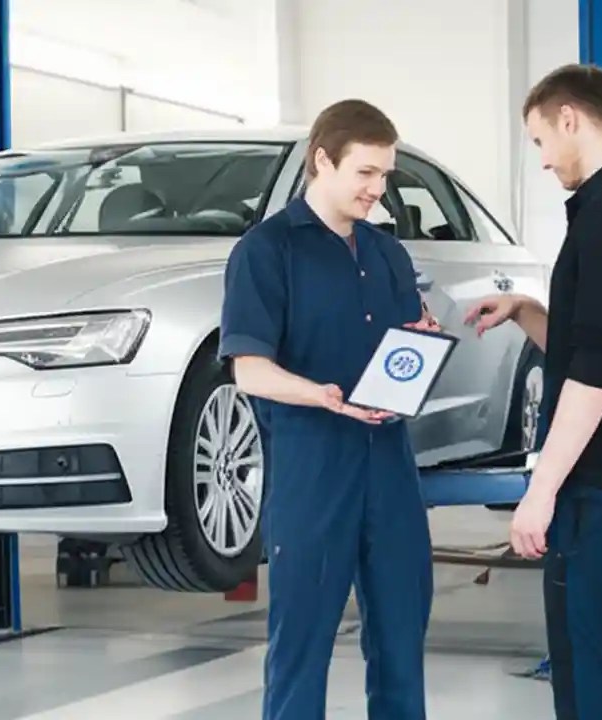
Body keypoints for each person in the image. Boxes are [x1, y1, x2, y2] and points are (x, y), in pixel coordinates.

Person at [219, 99, 439, 720]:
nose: (379, 189)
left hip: (391, 469)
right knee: (301, 650)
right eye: (366, 173)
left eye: (386, 176)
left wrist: (421, 341)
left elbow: (399, 350)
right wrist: (319, 395)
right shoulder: (266, 252)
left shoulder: (389, 254)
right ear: (322, 160)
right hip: (313, 470)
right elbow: (248, 370)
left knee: (401, 642)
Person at [466, 63, 602, 719]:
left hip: (600, 494)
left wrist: (539, 493)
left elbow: (596, 371)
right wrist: (526, 310)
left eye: (540, 140)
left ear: (569, 118)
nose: (542, 160)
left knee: (592, 676)